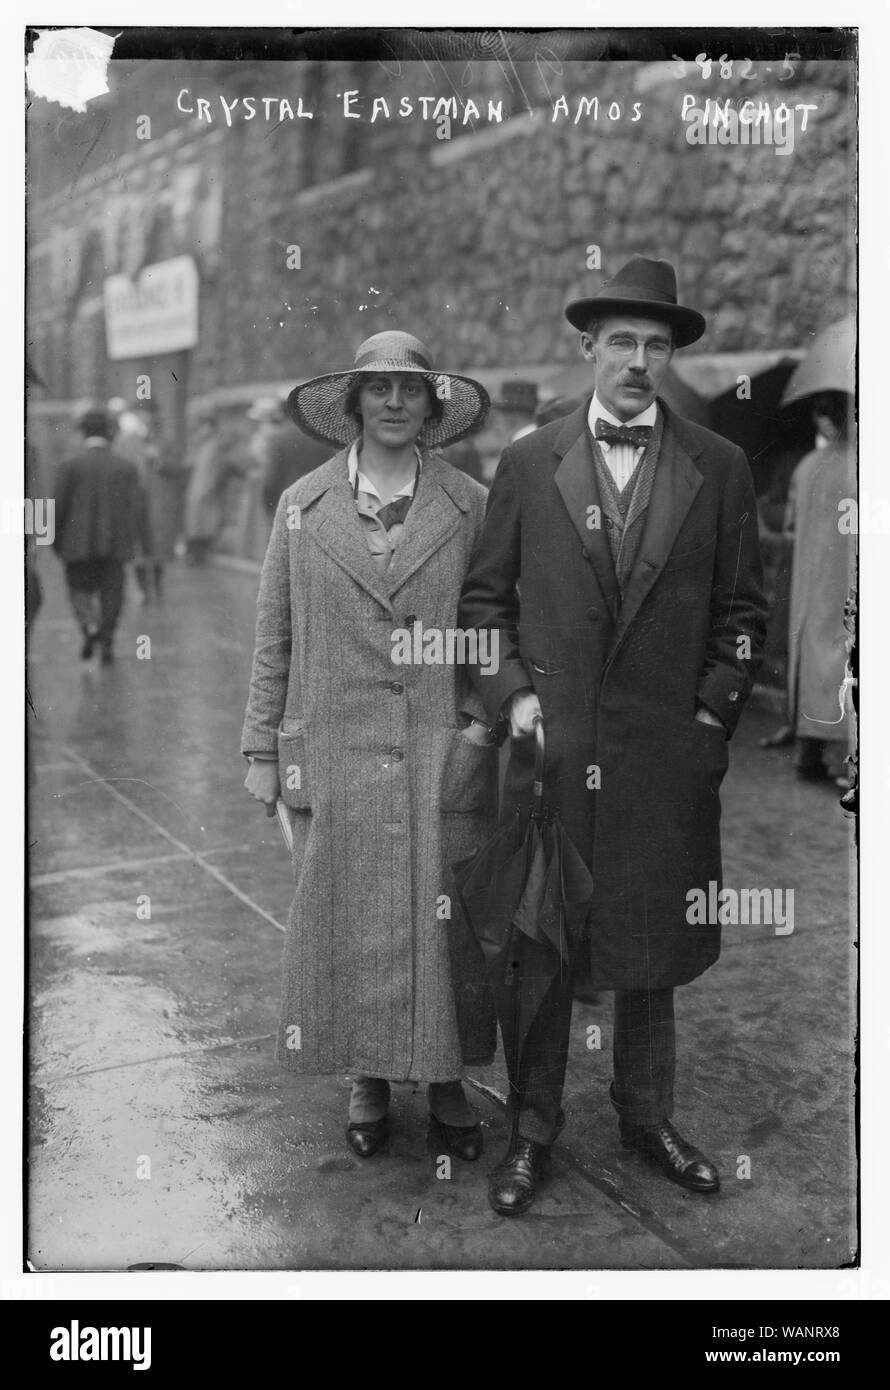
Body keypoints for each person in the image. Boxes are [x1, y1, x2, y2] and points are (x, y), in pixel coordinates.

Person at [459, 256, 769, 1216]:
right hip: (551, 754)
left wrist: (709, 722)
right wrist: (514, 699)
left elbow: (744, 614)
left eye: (658, 345)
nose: (640, 360)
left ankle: (648, 1118)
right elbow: (482, 602)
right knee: (541, 943)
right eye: (623, 342)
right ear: (589, 347)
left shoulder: (718, 467)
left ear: (673, 357)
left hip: (662, 763)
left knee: (654, 943)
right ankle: (533, 1130)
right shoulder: (526, 459)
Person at [240, 330, 498, 1162]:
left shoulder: (469, 504)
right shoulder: (301, 505)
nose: (394, 402)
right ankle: (367, 1078)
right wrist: (259, 749)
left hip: (435, 749)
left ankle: (448, 1076)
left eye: (410, 389)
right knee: (346, 920)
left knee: (442, 919)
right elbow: (274, 633)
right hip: (336, 754)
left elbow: (494, 624)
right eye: (378, 388)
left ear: (432, 406)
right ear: (353, 402)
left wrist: (481, 725)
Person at [783, 391, 856, 782]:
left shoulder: (807, 465)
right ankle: (854, 762)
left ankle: (808, 755)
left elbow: (791, 525)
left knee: (812, 662)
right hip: (848, 579)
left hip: (809, 580)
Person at [52, 401, 149, 665]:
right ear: (109, 432)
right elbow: (138, 508)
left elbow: (57, 507)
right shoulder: (125, 466)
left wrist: (56, 543)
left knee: (78, 590)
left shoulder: (69, 465)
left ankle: (89, 625)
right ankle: (106, 640)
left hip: (76, 545)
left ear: (83, 432)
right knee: (112, 593)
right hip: (115, 545)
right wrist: (142, 543)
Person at [246, 396, 330, 523]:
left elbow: (270, 478)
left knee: (290, 540)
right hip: (319, 505)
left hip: (288, 506)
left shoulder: (278, 439)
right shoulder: (321, 436)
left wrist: (267, 506)